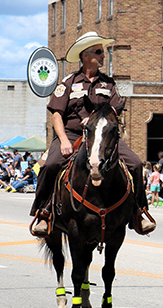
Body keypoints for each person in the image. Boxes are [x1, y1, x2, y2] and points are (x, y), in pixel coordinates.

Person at [29, 32, 155, 236]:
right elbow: (56, 115)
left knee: (136, 164)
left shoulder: (109, 84)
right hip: (72, 135)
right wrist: (62, 141)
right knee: (51, 164)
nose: (103, 56)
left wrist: (98, 120)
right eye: (99, 52)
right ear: (85, 56)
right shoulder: (68, 83)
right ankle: (43, 212)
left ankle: (138, 211)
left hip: (103, 137)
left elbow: (116, 111)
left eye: (102, 52)